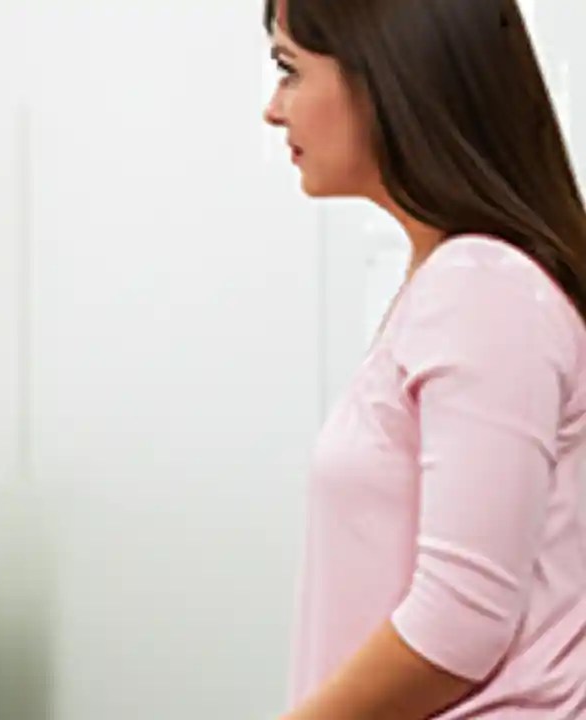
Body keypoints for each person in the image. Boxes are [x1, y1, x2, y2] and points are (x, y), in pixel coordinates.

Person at [263, 0, 586, 717]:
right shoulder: (463, 282)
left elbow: (458, 623)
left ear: (386, 81)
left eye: (289, 71)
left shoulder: (484, 287)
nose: (272, 110)